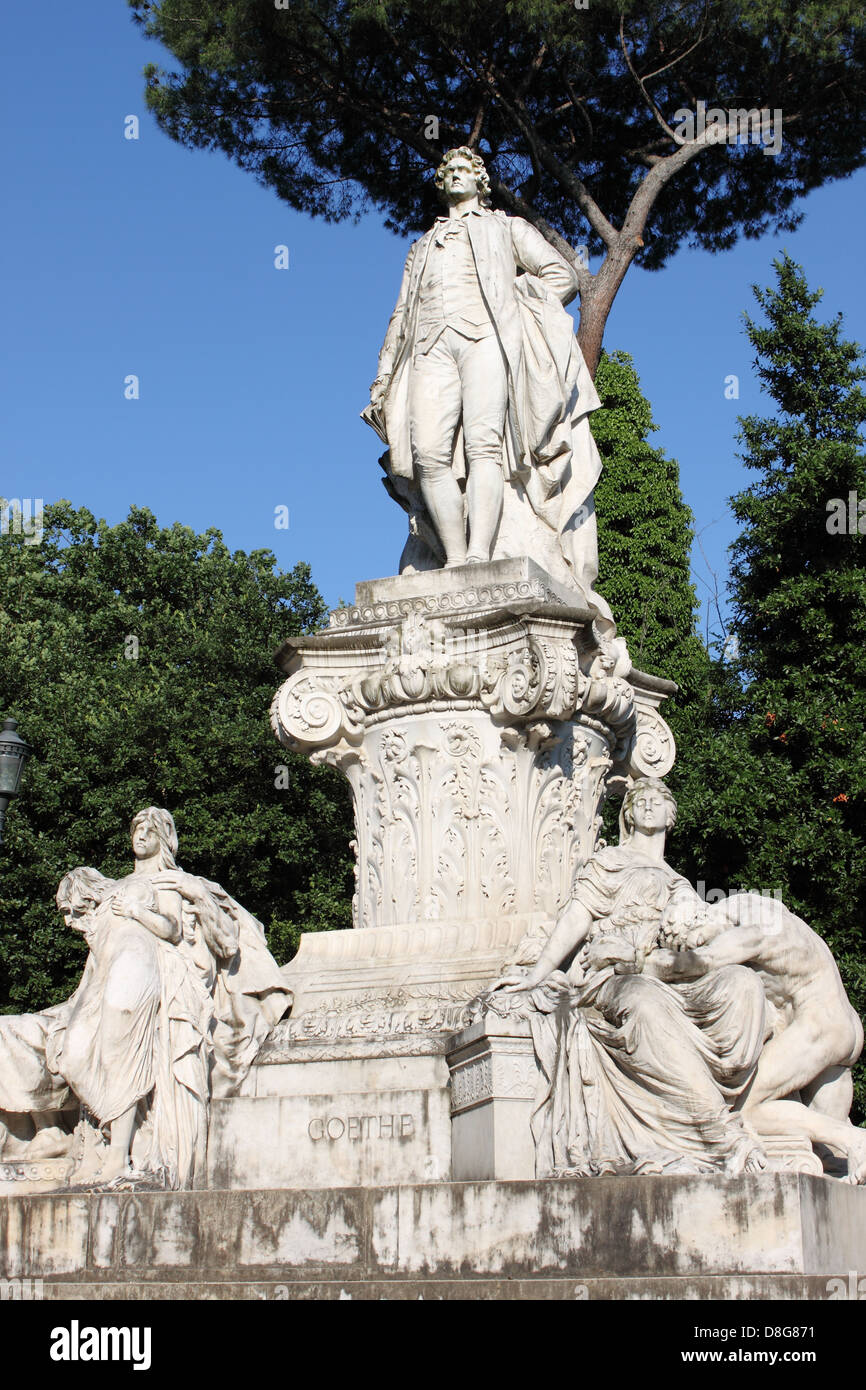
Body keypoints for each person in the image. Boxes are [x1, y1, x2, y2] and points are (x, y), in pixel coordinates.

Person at [366, 146, 618, 638]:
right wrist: (382, 374)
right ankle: (455, 557)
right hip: (428, 349)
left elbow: (560, 274)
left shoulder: (506, 228)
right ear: (441, 183)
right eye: (448, 171)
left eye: (465, 169)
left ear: (481, 182)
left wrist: (523, 304)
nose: (456, 175)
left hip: (486, 341)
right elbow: (401, 313)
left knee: (485, 446)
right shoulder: (421, 247)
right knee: (428, 454)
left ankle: (480, 554)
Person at [491, 778, 768, 1176]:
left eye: (659, 801)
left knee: (743, 984)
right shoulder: (610, 862)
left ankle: (717, 1096)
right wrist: (539, 973)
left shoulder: (680, 884)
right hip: (612, 976)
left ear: (672, 816)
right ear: (628, 815)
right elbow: (576, 919)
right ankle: (715, 1131)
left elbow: (695, 941)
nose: (650, 806)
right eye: (640, 801)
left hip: (663, 971)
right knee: (644, 1002)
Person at [658, 892, 866, 1182]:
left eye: (691, 941)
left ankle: (856, 1139)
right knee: (830, 1162)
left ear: (700, 920)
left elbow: (698, 962)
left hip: (819, 1027)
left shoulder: (748, 929)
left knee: (744, 1112)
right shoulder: (761, 909)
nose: (696, 945)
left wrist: (639, 962)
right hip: (843, 1026)